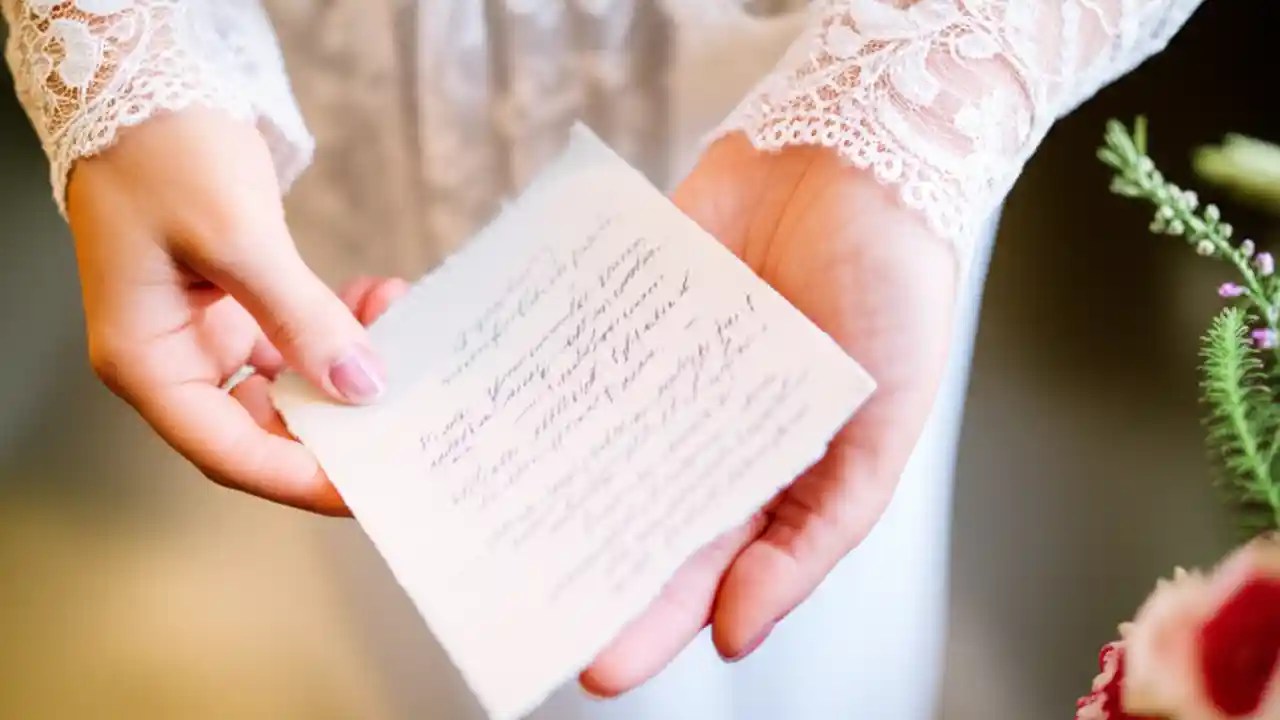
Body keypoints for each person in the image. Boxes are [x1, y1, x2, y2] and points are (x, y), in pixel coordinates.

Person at [1, 1, 1205, 718]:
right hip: (337, 137)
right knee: (460, 644)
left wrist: (912, 115)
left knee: (825, 622)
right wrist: (125, 57)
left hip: (826, 144)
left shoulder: (867, 149)